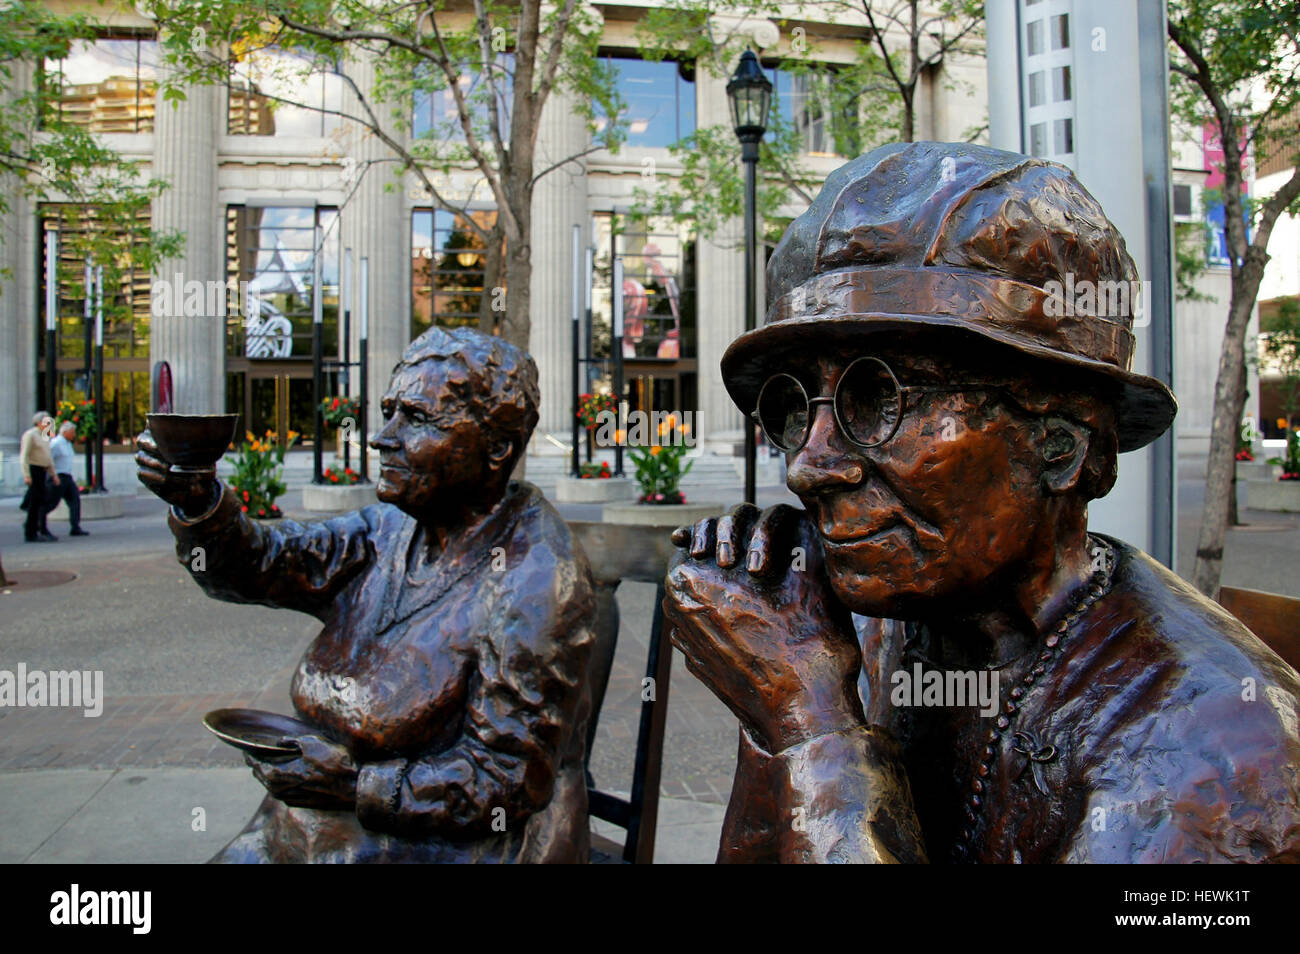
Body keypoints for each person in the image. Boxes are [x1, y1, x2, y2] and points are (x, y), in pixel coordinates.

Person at [664, 142, 1300, 863]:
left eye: (880, 400)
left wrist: (809, 729)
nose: (808, 467)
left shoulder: (1217, 757)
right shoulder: (861, 632)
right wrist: (779, 704)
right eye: (792, 406)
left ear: (1060, 445)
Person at [136, 327, 597, 863]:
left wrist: (356, 786)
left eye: (417, 418)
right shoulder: (388, 528)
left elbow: (507, 778)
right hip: (321, 824)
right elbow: (265, 564)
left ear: (497, 447)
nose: (382, 438)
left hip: (468, 846)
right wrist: (200, 504)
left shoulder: (536, 575)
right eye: (388, 412)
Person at [45, 421, 88, 537]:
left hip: (67, 476)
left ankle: (75, 527)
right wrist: (52, 475)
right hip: (58, 476)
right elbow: (48, 460)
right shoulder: (56, 443)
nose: (74, 435)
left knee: (75, 500)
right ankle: (38, 522)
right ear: (65, 432)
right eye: (72, 432)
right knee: (51, 503)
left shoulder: (68, 444)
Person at [19, 412, 57, 543]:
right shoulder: (30, 435)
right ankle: (31, 532)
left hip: (42, 470)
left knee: (42, 501)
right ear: (39, 422)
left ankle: (39, 528)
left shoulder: (45, 435)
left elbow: (48, 456)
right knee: (35, 503)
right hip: (34, 469)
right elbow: (24, 456)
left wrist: (53, 474)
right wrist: (26, 475)